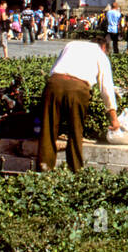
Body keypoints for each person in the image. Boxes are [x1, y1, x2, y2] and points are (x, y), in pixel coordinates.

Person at [38, 37, 120, 173]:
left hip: (54, 84)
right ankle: (76, 171)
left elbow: (55, 68)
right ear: (104, 47)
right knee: (76, 131)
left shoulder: (71, 44)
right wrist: (114, 118)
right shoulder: (101, 55)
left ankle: (43, 169)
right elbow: (107, 90)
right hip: (77, 89)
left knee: (48, 130)